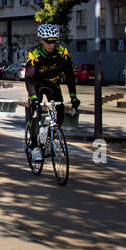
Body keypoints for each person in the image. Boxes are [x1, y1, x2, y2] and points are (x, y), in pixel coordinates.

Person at [24, 24, 81, 162]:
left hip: (53, 84)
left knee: (59, 113)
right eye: (48, 41)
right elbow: (29, 79)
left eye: (54, 41)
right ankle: (35, 147)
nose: (51, 44)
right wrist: (33, 99)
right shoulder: (34, 55)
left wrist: (73, 97)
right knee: (35, 114)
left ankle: (49, 141)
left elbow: (69, 75)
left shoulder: (62, 52)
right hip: (36, 85)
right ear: (41, 40)